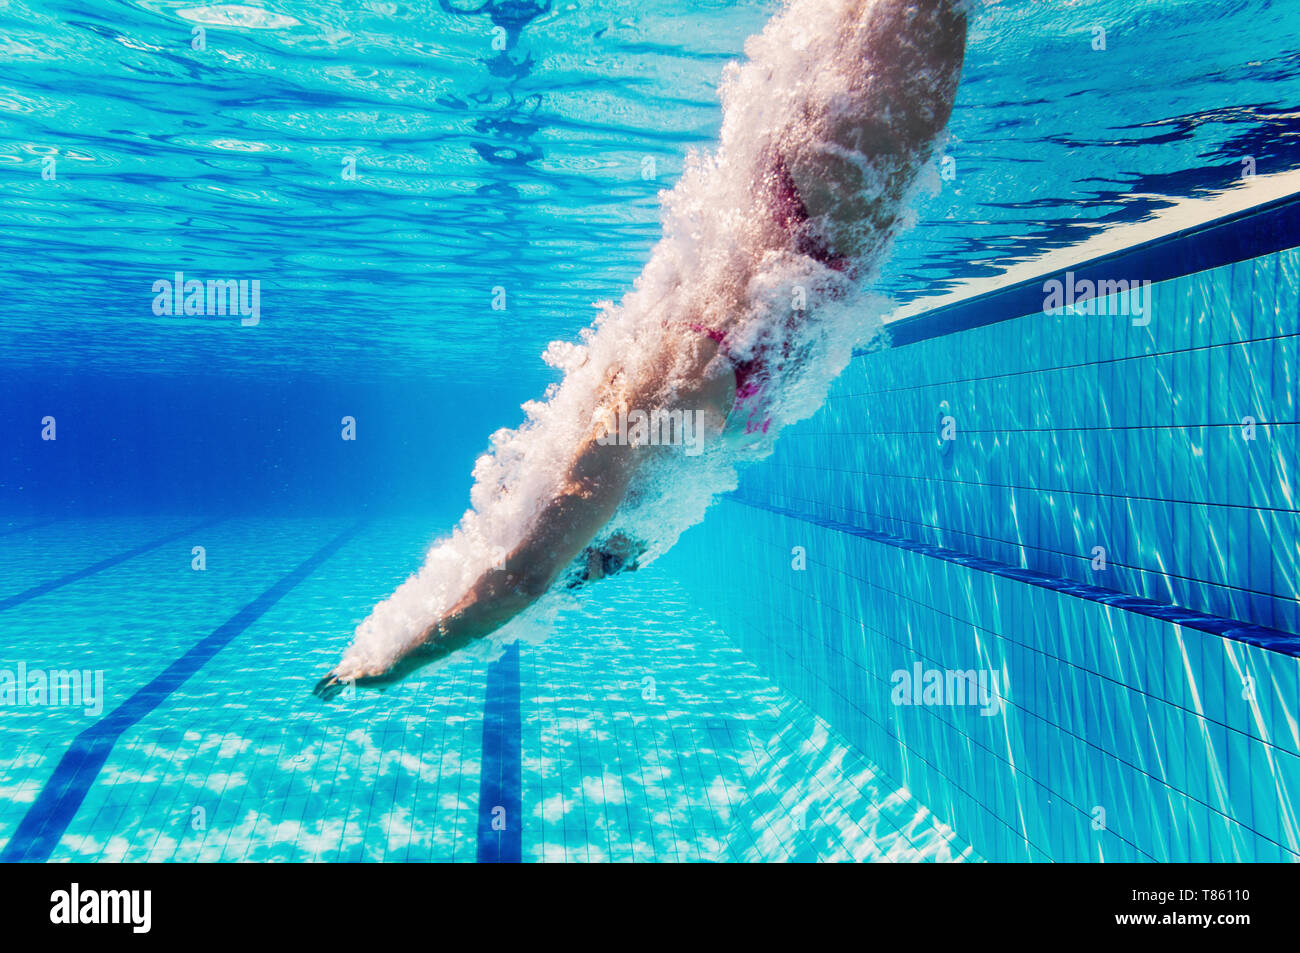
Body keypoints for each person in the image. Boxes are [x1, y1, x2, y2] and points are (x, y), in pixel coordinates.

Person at [315, 0, 967, 699]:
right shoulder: (667, 467)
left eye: (586, 554)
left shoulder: (630, 421)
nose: (602, 563)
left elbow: (526, 578)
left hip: (826, 205)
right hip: (828, 222)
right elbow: (554, 568)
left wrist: (396, 661)